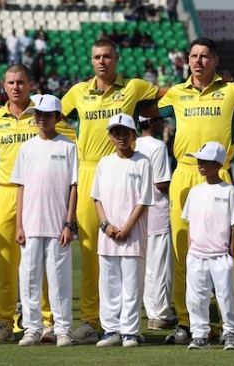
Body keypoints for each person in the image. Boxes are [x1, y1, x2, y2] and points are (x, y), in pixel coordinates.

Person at [156, 37, 234, 345]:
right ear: (187, 60)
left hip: (220, 176)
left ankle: (227, 324)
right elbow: (147, 106)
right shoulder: (176, 93)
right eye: (193, 56)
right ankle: (187, 323)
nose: (198, 61)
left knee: (225, 255)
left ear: (215, 61)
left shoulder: (232, 90)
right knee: (183, 254)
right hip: (185, 175)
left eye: (204, 56)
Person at [59, 39, 162, 342]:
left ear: (116, 58)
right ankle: (92, 320)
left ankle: (127, 325)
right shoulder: (78, 91)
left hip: (124, 171)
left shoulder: (132, 87)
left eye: (107, 56)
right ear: (91, 60)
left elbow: (169, 95)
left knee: (127, 253)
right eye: (97, 57)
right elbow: (51, 115)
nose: (102, 61)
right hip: (89, 170)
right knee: (92, 252)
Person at [9, 94, 78, 347]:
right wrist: (19, 225)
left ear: (57, 117)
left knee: (59, 280)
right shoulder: (26, 148)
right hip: (30, 225)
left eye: (47, 115)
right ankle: (32, 328)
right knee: (29, 279)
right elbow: (21, 187)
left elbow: (73, 187)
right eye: (38, 114)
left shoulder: (68, 147)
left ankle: (62, 329)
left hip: (58, 226)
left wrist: (69, 224)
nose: (41, 119)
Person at [91, 114, 155, 348]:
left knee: (131, 285)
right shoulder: (104, 163)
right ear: (109, 136)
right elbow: (97, 198)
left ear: (134, 135)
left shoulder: (143, 162)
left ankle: (129, 331)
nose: (121, 137)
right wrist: (105, 225)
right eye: (116, 133)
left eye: (126, 133)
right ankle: (111, 330)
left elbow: (144, 200)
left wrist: (127, 226)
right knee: (109, 285)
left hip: (133, 235)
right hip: (108, 236)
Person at [179, 141, 234, 351]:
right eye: (199, 160)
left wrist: (230, 255)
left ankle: (231, 332)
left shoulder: (229, 191)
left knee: (226, 296)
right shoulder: (195, 192)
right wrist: (190, 252)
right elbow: (190, 224)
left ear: (218, 165)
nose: (199, 164)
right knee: (196, 298)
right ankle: (199, 335)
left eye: (204, 161)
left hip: (220, 254)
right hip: (196, 254)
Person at [136, 115, 174, 330]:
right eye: (160, 120)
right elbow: (161, 183)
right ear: (151, 122)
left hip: (137, 213)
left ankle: (152, 312)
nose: (164, 124)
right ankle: (160, 313)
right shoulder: (158, 146)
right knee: (159, 267)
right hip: (157, 210)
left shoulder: (133, 144)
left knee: (146, 267)